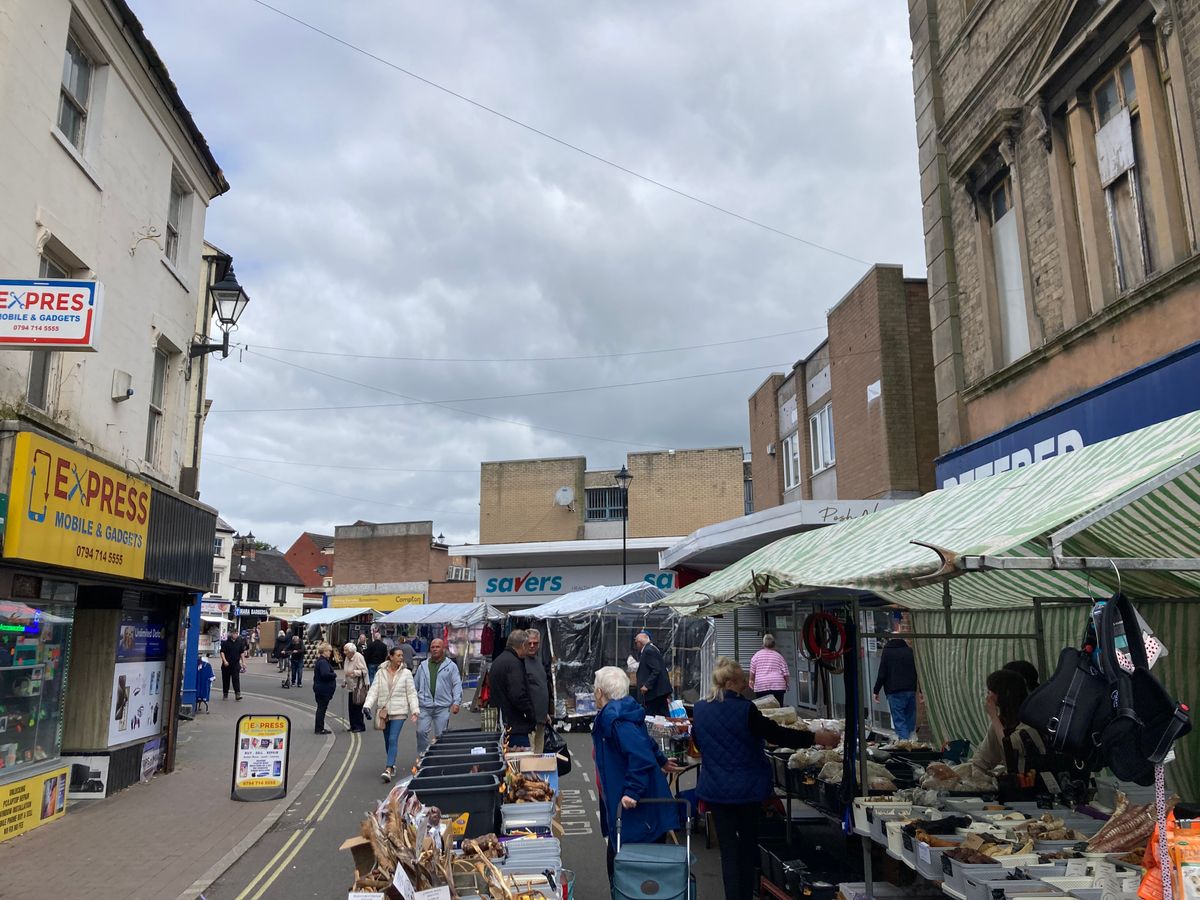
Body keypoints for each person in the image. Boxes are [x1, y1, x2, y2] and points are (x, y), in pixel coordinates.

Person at [693, 657, 840, 900]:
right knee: (747, 848)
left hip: (716, 790)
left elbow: (698, 742)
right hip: (747, 789)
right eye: (742, 682)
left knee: (729, 851)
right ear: (730, 682)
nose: (746, 686)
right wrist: (816, 738)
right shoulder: (745, 710)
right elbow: (777, 734)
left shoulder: (700, 709)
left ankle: (733, 896)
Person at [591, 666, 680, 885]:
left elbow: (639, 755)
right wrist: (660, 759)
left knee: (626, 869)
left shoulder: (615, 719)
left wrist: (632, 791)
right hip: (627, 806)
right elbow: (644, 740)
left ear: (600, 692)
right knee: (623, 861)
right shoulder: (624, 712)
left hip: (635, 810)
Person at [970, 668, 1046, 774]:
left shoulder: (1030, 720)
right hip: (1014, 783)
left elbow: (1011, 746)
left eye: (991, 691)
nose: (988, 695)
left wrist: (993, 716)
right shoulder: (1000, 722)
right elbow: (983, 758)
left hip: (1036, 782)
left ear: (1005, 693)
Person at [363, 646, 419, 782]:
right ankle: (392, 763)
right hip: (384, 711)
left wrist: (415, 710)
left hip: (400, 711)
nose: (401, 658)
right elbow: (374, 690)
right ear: (391, 656)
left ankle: (388, 768)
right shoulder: (380, 672)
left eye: (402, 656)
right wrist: (367, 705)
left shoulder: (406, 673)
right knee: (387, 740)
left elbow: (411, 693)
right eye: (398, 655)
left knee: (393, 738)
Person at [413, 638, 462, 752]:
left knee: (441, 735)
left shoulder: (451, 666)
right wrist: (413, 704)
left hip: (443, 707)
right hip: (425, 706)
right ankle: (423, 755)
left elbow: (457, 685)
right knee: (421, 732)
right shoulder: (423, 666)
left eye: (437, 647)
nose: (435, 649)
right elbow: (415, 686)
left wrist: (456, 702)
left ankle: (439, 757)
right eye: (433, 647)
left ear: (443, 649)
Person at [489, 630, 536, 748]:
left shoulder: (498, 661)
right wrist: (531, 714)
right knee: (520, 761)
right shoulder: (514, 664)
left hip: (502, 721)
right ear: (523, 645)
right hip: (515, 725)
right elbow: (517, 695)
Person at [872, 630, 920, 739]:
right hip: (910, 690)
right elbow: (917, 672)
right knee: (910, 720)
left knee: (899, 721)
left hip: (894, 692)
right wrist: (920, 691)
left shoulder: (887, 652)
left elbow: (882, 674)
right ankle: (913, 743)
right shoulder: (910, 651)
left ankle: (905, 745)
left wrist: (876, 690)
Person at [524, 628, 553, 753]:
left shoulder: (539, 661)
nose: (532, 646)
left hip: (541, 717)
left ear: (539, 643)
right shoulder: (522, 662)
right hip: (529, 718)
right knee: (531, 755)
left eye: (535, 643)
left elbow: (541, 687)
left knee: (539, 753)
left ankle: (538, 773)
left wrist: (545, 712)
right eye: (529, 643)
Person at [635, 631, 671, 717]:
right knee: (661, 713)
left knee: (654, 713)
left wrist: (647, 685)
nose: (636, 645)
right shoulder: (652, 648)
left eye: (636, 643)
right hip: (659, 691)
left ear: (640, 643)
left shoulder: (648, 651)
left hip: (655, 692)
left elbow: (656, 669)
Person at [748, 634, 790, 705]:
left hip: (761, 686)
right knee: (778, 709)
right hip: (778, 686)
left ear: (763, 644)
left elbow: (752, 671)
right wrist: (787, 683)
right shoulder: (779, 656)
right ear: (774, 644)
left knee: (762, 709)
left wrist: (751, 681)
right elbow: (786, 673)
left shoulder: (756, 656)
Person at [341, 642, 369, 733]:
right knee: (351, 707)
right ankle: (353, 725)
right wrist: (345, 681)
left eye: (346, 650)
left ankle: (360, 726)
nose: (344, 652)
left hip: (359, 686)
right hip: (351, 686)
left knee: (357, 707)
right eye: (344, 650)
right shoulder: (347, 658)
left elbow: (364, 671)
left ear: (352, 651)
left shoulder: (358, 657)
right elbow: (346, 671)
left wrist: (354, 673)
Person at [313, 643, 336, 735]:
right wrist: (334, 675)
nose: (330, 653)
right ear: (324, 651)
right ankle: (319, 728)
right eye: (329, 651)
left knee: (321, 708)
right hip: (323, 689)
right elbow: (325, 674)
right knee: (321, 709)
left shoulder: (322, 661)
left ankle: (320, 727)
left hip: (320, 688)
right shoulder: (323, 662)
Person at [219, 631, 246, 700]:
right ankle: (225, 694)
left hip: (236, 664)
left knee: (236, 679)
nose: (235, 635)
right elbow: (222, 652)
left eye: (237, 633)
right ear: (231, 634)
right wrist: (224, 661)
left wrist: (243, 662)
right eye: (234, 633)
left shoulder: (239, 643)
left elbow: (242, 653)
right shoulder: (225, 642)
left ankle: (237, 694)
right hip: (227, 664)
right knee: (226, 680)